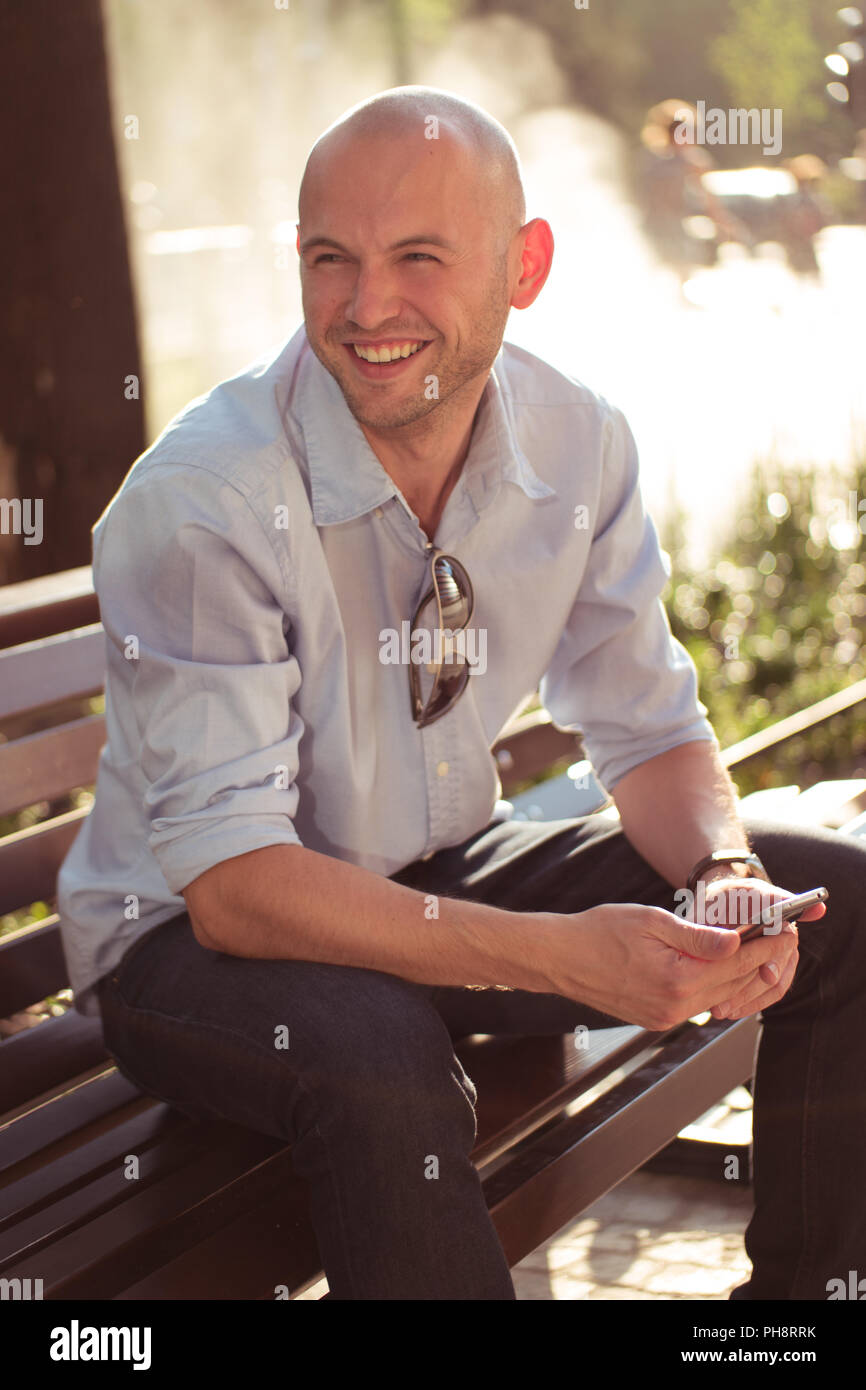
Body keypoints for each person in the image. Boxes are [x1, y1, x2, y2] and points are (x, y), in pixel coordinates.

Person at [57, 86, 865, 1302]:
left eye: (418, 259)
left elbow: (645, 729)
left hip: (422, 876)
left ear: (522, 264)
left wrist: (719, 871)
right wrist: (552, 958)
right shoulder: (204, 502)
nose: (368, 308)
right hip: (185, 948)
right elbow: (232, 887)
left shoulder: (577, 440)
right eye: (332, 260)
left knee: (830, 907)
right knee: (378, 1052)